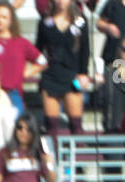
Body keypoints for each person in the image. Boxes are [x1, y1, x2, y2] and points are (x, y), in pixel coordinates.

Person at [0, 0, 45, 114]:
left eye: (4, 17)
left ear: (11, 20)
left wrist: (26, 72)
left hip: (13, 93)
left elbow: (42, 61)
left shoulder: (21, 43)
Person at [36, 0, 91, 137]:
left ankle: (77, 156)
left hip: (72, 74)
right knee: (51, 126)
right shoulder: (45, 21)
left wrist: (83, 72)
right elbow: (37, 48)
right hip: (51, 74)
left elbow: (85, 49)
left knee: (76, 125)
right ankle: (52, 156)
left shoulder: (80, 21)